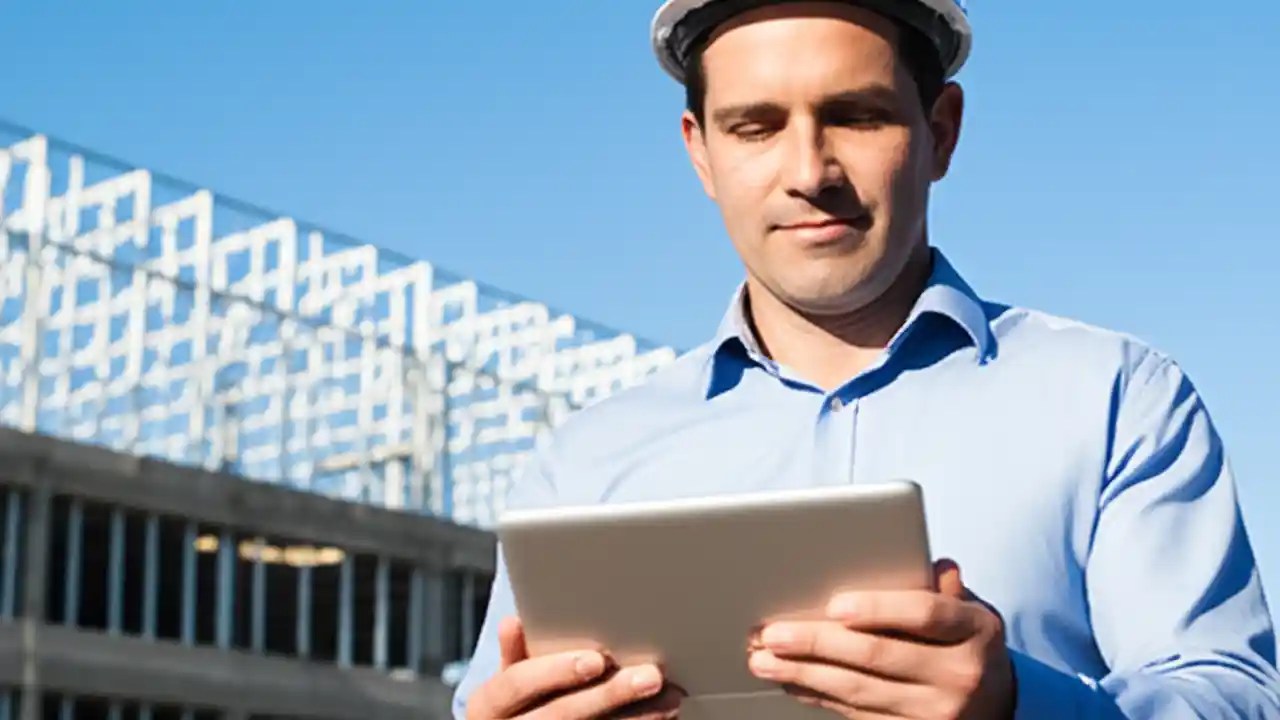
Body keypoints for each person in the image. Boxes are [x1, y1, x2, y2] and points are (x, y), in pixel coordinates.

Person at [452, 0, 1280, 717]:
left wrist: (1012, 703)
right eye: (756, 127)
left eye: (856, 116)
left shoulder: (1116, 399)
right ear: (700, 152)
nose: (809, 173)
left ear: (941, 132)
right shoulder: (583, 464)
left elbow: (1235, 697)